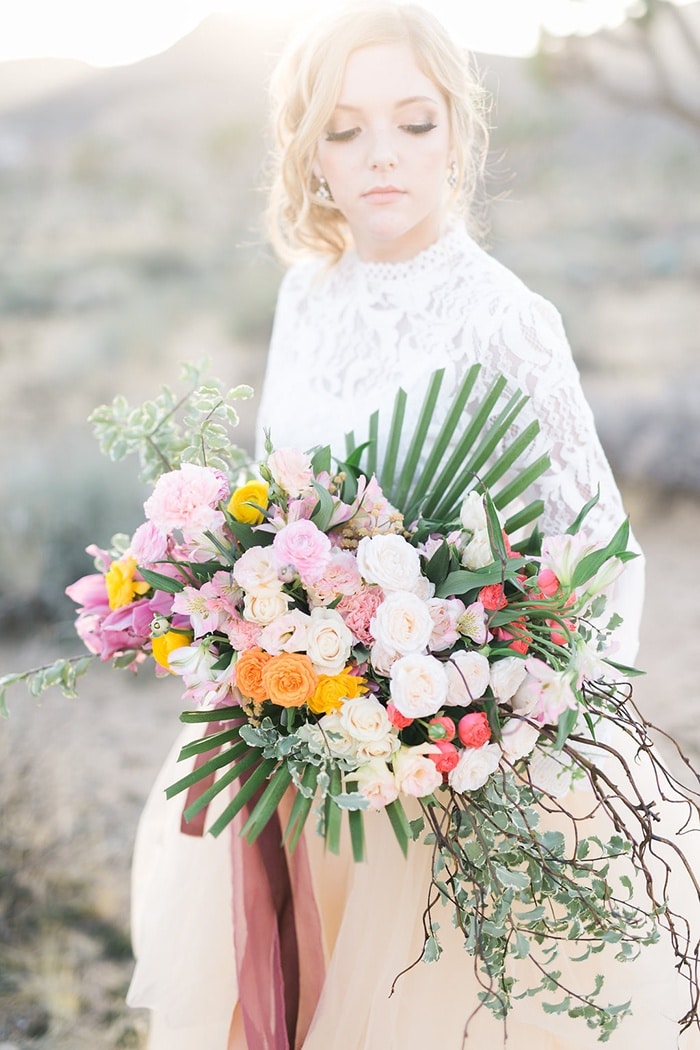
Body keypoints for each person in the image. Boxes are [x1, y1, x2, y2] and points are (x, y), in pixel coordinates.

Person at [127, 4, 698, 1047]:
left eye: (412, 122)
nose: (380, 155)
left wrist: (502, 721)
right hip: (297, 745)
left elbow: (598, 553)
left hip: (440, 772)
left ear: (458, 135)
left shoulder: (504, 316)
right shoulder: (307, 294)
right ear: (310, 154)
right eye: (343, 130)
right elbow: (273, 500)